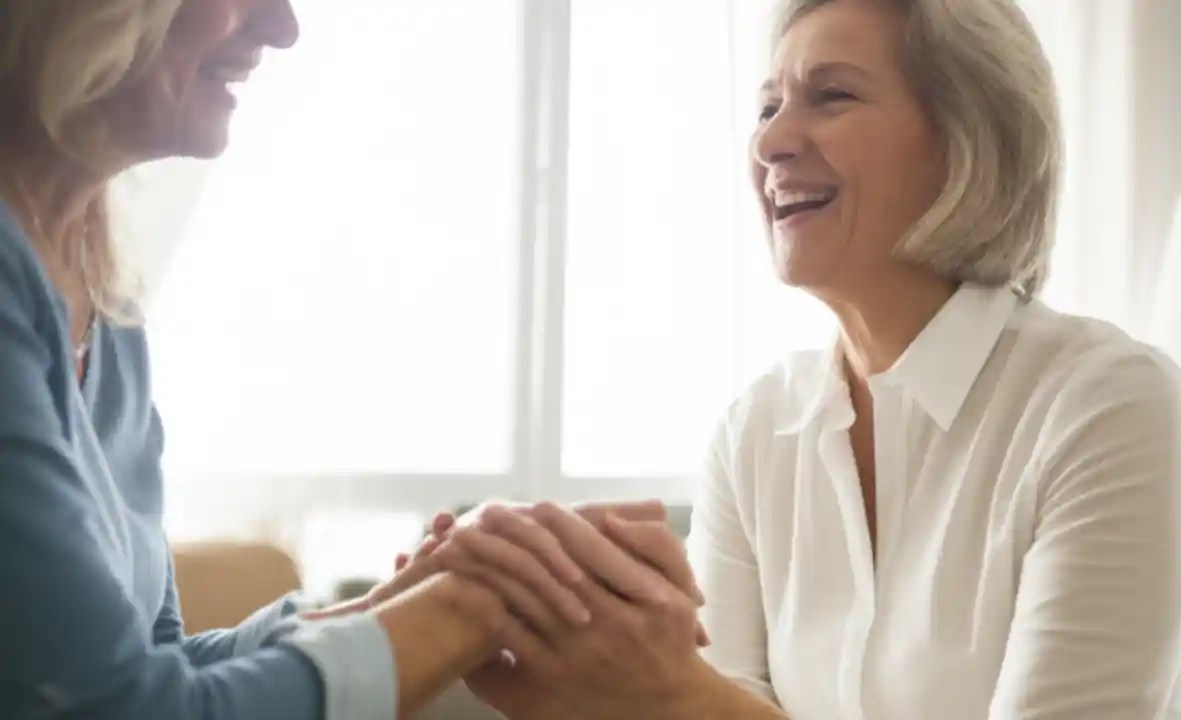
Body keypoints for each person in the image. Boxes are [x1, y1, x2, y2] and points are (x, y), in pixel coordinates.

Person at [414, 1, 1181, 718]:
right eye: (768, 106)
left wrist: (671, 688)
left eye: (832, 95)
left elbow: (703, 704)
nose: (769, 141)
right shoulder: (755, 430)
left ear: (970, 139)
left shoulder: (1108, 402)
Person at [0, 1, 692, 718]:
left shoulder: (104, 299)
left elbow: (153, 663)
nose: (281, 26)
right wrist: (479, 600)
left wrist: (415, 593)